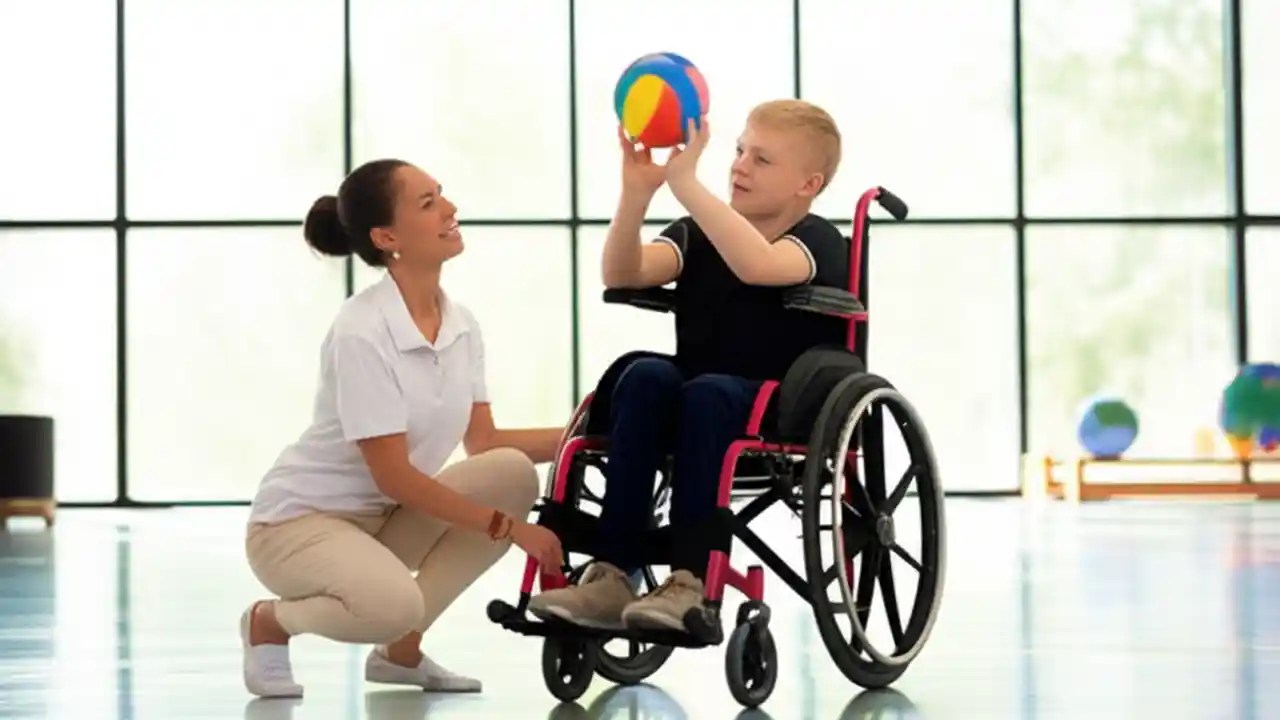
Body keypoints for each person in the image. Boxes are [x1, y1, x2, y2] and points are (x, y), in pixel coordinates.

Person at [240, 159, 566, 699]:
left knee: (510, 475)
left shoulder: (460, 324)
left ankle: (400, 652)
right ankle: (270, 622)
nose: (450, 209)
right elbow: (394, 476)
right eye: (428, 202)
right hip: (297, 526)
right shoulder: (361, 331)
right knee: (392, 606)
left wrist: (590, 429)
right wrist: (513, 531)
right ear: (387, 237)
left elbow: (483, 443)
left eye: (442, 194)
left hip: (382, 520)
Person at [527, 99, 849, 632]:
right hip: (696, 385)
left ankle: (689, 581)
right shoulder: (694, 231)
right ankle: (612, 572)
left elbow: (757, 266)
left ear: (807, 185)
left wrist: (688, 187)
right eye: (741, 150)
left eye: (762, 160)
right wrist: (637, 194)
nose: (740, 165)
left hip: (777, 404)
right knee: (644, 375)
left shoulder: (818, 241)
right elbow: (623, 272)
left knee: (708, 393)